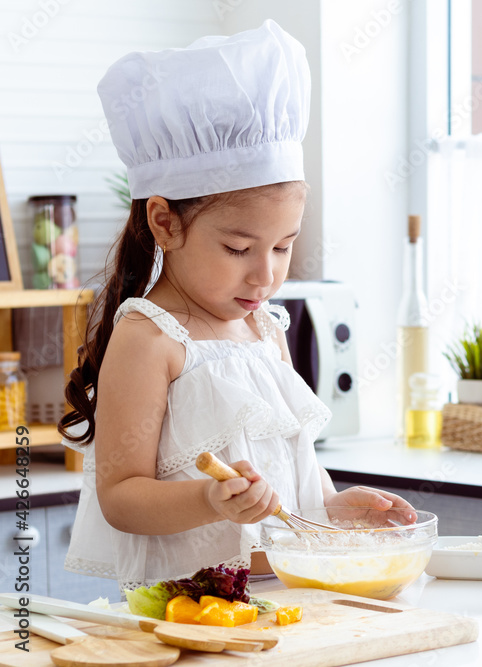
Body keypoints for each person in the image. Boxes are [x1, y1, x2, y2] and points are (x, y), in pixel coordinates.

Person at [58, 21, 414, 594]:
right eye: (238, 248)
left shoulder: (263, 329)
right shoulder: (150, 341)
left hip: (289, 593)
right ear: (164, 222)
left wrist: (333, 503)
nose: (266, 273)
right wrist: (208, 499)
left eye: (283, 246)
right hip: (185, 606)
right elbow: (122, 498)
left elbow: (287, 464)